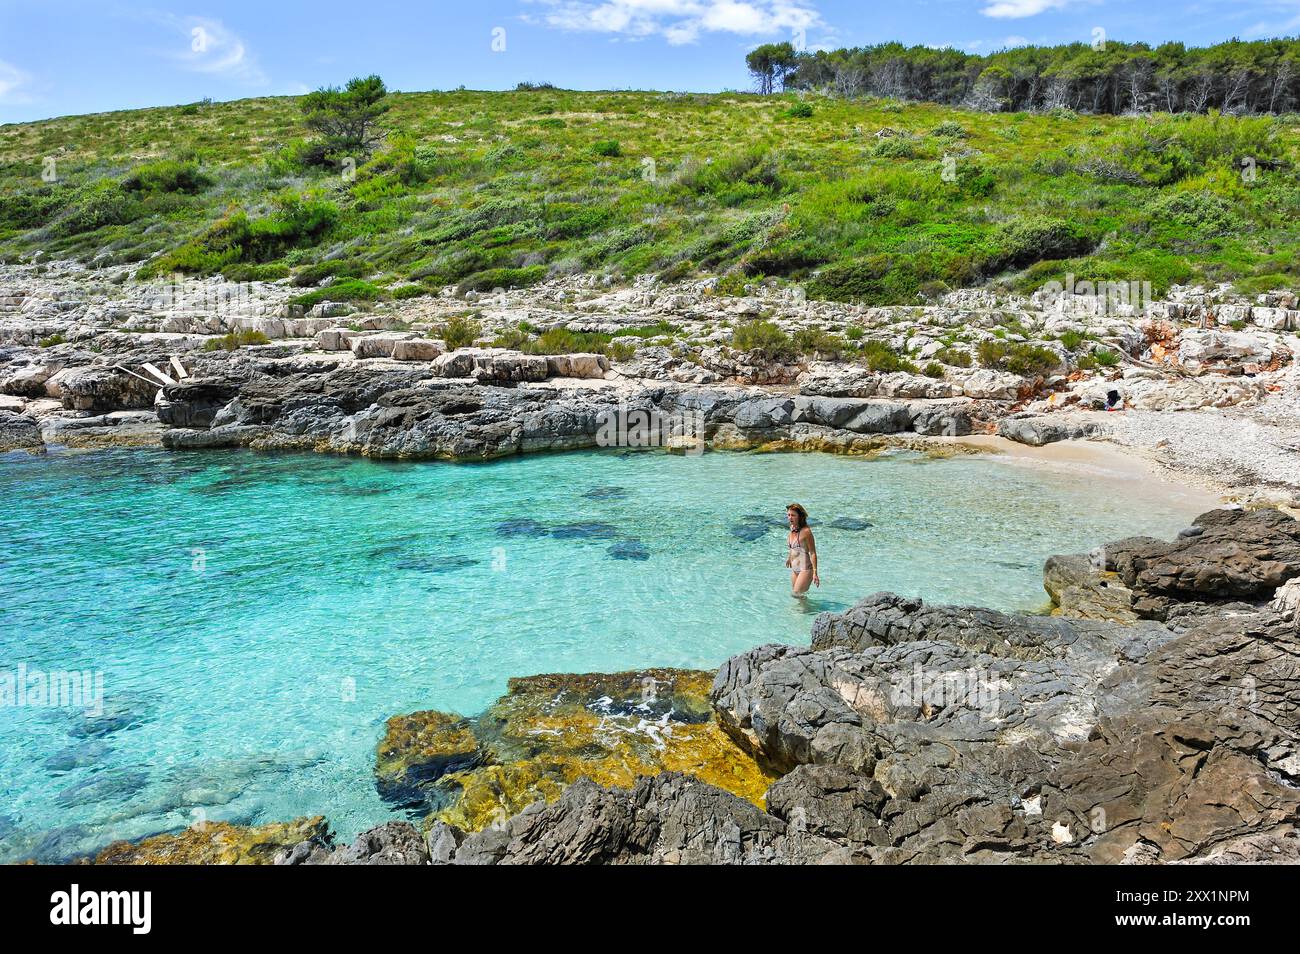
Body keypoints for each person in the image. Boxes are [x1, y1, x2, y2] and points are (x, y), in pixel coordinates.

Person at [784, 503, 819, 597]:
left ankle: (807, 611)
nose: (790, 518)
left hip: (806, 569)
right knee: (799, 597)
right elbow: (793, 547)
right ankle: (808, 611)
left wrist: (815, 573)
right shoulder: (792, 528)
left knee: (796, 594)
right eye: (788, 515)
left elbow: (813, 553)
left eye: (793, 515)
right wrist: (789, 558)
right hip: (795, 568)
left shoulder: (806, 532)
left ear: (800, 516)